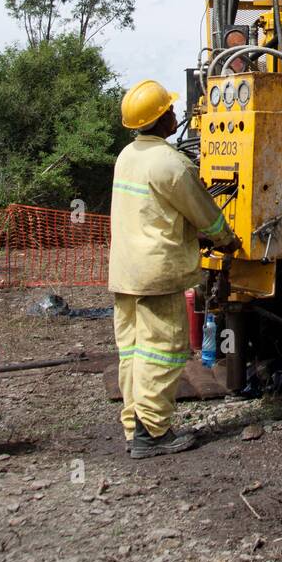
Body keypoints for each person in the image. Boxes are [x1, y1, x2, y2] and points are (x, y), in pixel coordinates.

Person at [110, 79, 233, 458]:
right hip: (157, 273)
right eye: (171, 110)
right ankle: (153, 434)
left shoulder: (127, 156)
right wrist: (226, 239)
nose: (178, 114)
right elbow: (205, 214)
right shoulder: (172, 164)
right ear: (161, 118)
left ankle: (137, 427)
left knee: (133, 351)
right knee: (162, 351)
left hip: (126, 272)